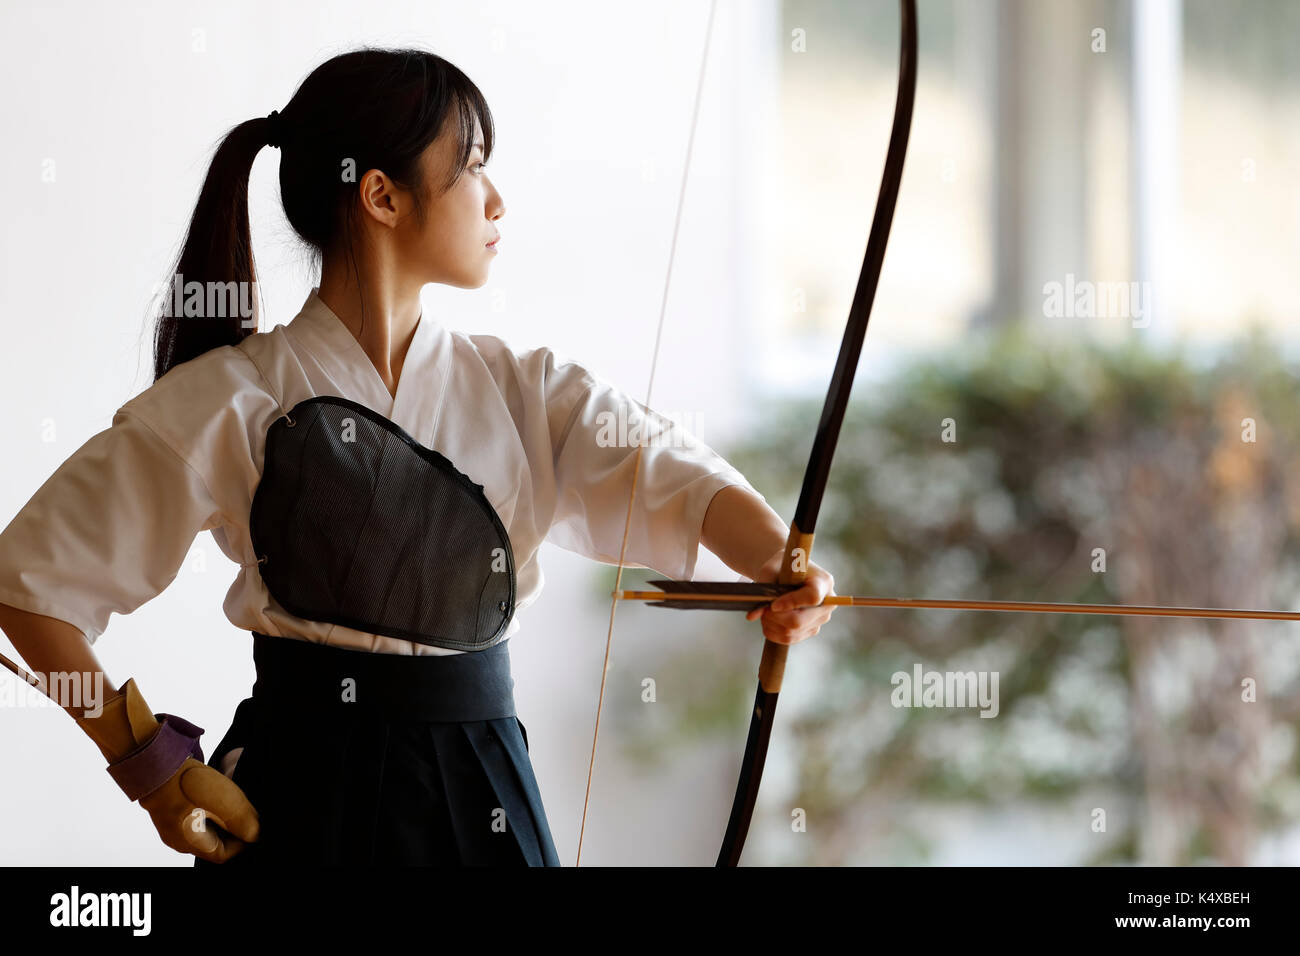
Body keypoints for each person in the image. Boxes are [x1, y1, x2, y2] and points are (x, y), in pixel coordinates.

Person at [0, 46, 835, 866]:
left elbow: (670, 475)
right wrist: (149, 767)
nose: (497, 199)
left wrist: (778, 561)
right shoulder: (232, 396)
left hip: (481, 791)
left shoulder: (523, 390)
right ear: (381, 196)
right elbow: (28, 584)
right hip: (295, 795)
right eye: (473, 166)